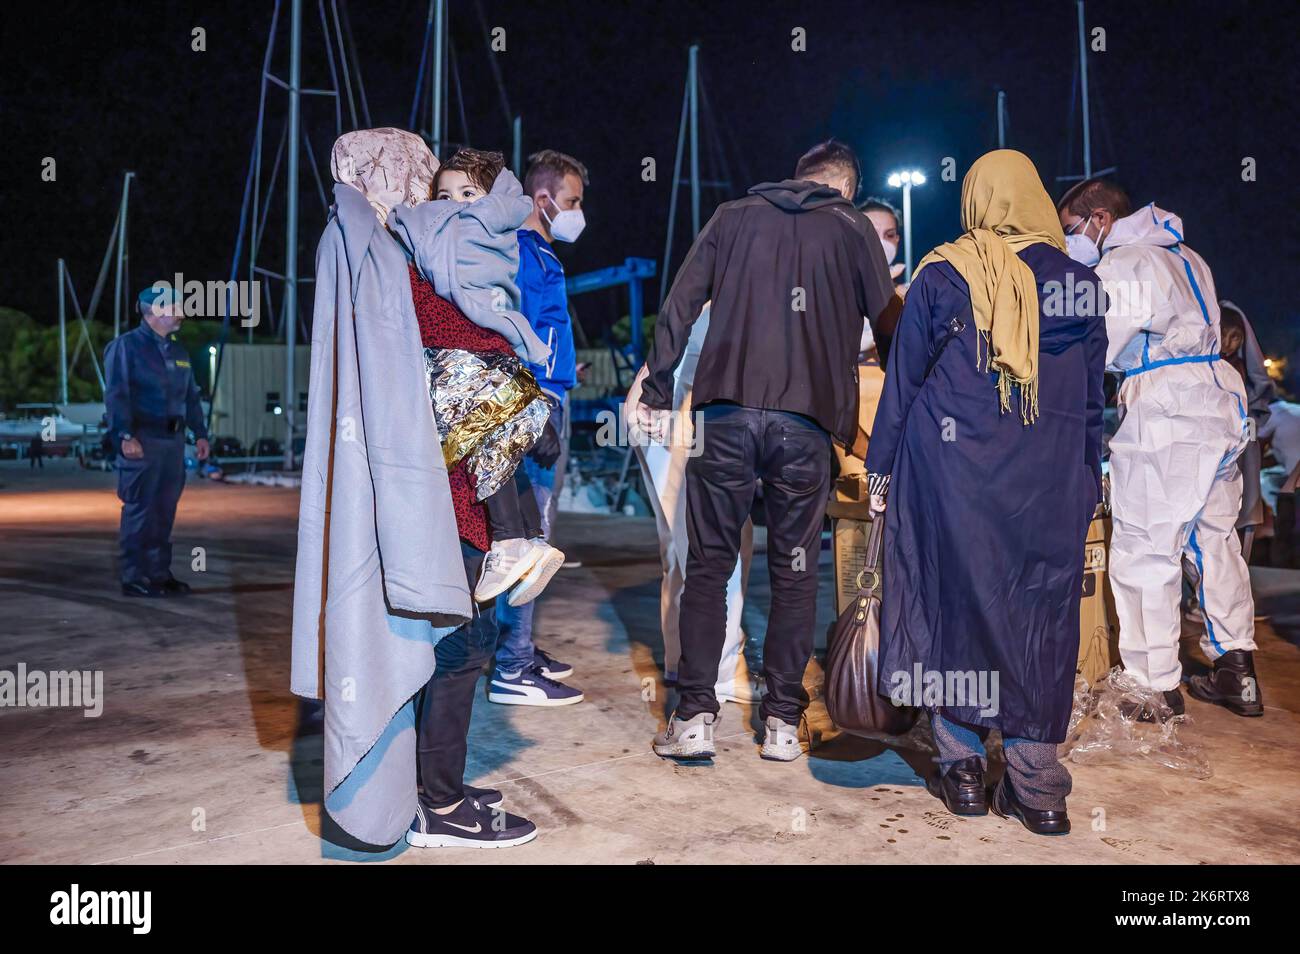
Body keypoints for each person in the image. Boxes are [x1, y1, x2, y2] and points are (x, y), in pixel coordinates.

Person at [293, 127, 537, 850]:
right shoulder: (381, 251)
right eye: (415, 170)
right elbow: (450, 351)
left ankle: (433, 785)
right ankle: (439, 802)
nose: (423, 184)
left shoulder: (377, 242)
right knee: (460, 647)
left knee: (462, 640)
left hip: (447, 484)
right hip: (437, 492)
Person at [867, 149, 1106, 835]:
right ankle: (1038, 790)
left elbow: (904, 386)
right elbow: (1093, 403)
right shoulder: (1079, 286)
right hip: (1048, 486)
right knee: (1039, 622)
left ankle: (964, 773)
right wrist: (1086, 479)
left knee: (951, 610)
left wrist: (881, 469)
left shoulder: (944, 274)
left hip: (951, 478)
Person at [639, 138, 897, 761]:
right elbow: (889, 321)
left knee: (708, 567)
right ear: (842, 188)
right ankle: (782, 722)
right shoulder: (851, 227)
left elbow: (679, 304)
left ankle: (696, 716)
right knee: (795, 571)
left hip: (725, 415)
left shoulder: (733, 217)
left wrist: (654, 383)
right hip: (805, 426)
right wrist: (896, 413)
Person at [1059, 179, 1262, 718]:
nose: (1071, 241)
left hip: (1170, 409)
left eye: (1071, 230)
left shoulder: (1126, 262)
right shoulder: (1188, 256)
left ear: (1099, 219)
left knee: (1146, 547)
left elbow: (1099, 345)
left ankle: (1154, 685)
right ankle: (1236, 670)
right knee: (1214, 540)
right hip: (1220, 401)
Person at [389, 146, 565, 607]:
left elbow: (476, 302)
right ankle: (530, 537)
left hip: (462, 362)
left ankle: (510, 542)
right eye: (444, 195)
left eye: (468, 193)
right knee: (500, 451)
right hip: (489, 363)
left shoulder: (476, 237)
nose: (453, 204)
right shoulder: (488, 237)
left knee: (480, 445)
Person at [488, 149, 589, 707]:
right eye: (572, 201)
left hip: (550, 396)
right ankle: (513, 667)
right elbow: (512, 335)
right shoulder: (524, 253)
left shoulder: (543, 254)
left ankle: (518, 645)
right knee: (532, 537)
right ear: (542, 199)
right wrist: (532, 407)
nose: (579, 212)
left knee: (534, 535)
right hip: (537, 402)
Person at [625, 304, 760, 707]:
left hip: (656, 406)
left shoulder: (714, 288)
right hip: (677, 411)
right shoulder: (741, 293)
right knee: (721, 549)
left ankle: (679, 659)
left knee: (681, 551)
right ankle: (718, 674)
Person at [103, 285, 210, 597]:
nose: (181, 312)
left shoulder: (178, 351)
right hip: (142, 440)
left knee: (164, 510)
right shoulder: (126, 347)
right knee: (140, 510)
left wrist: (200, 433)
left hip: (172, 443)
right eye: (175, 306)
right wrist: (124, 435)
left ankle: (159, 574)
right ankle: (134, 576)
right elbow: (116, 395)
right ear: (156, 312)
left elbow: (191, 397)